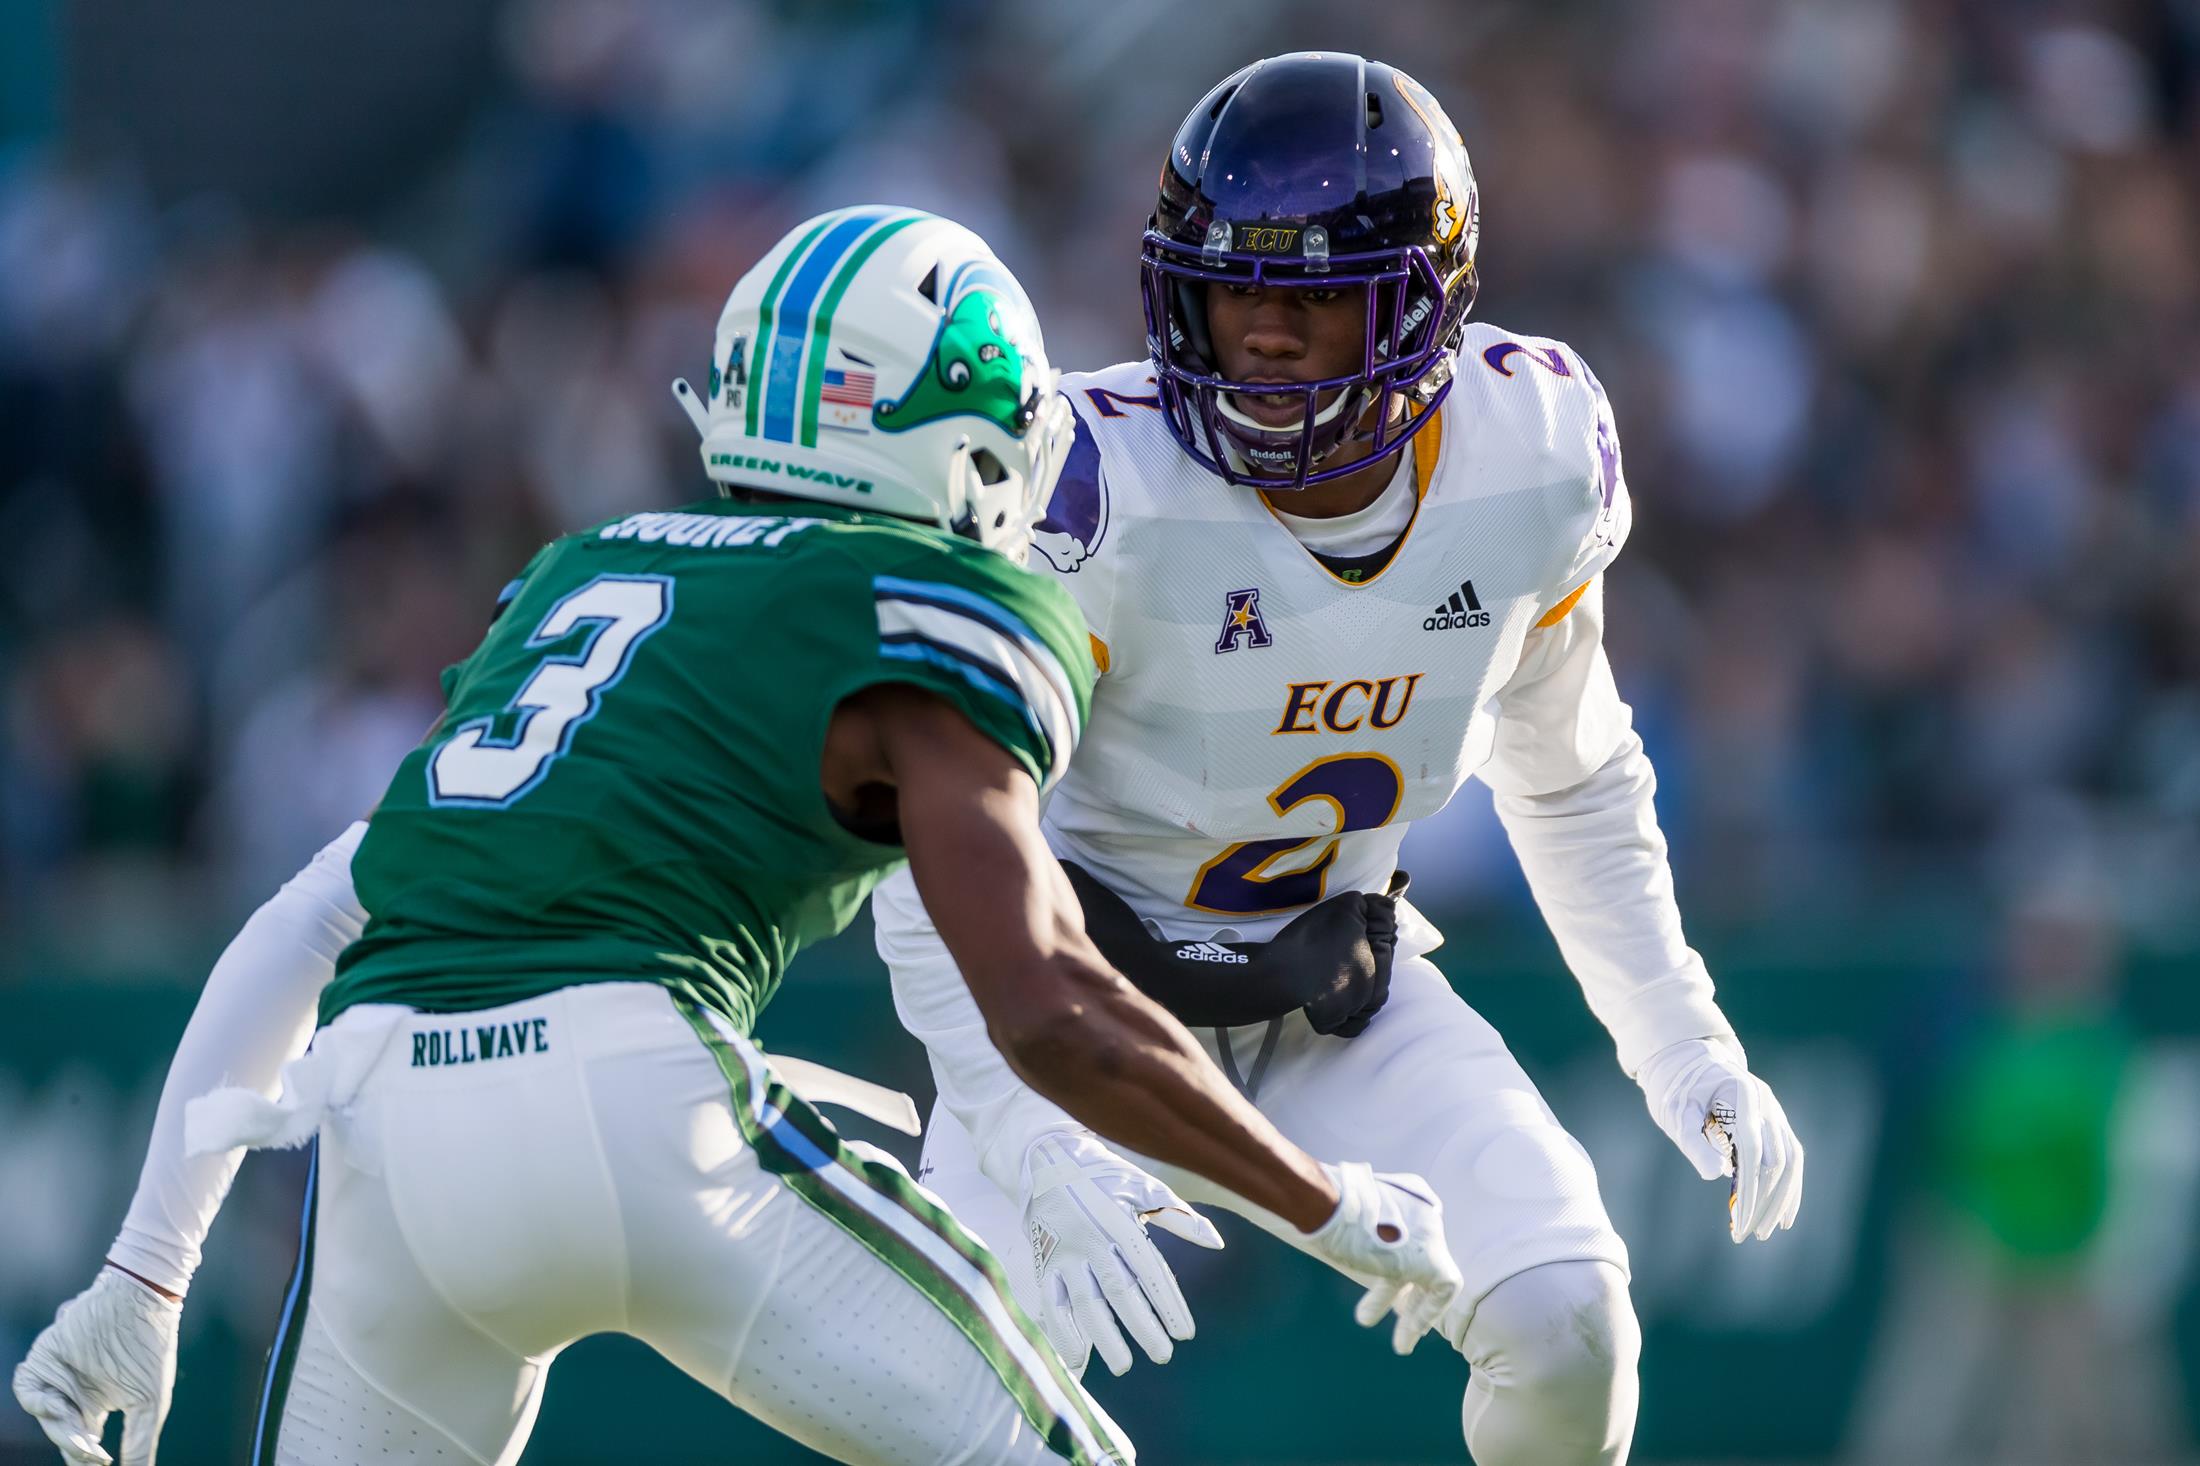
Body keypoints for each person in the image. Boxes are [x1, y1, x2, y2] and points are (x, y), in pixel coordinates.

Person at [11, 207, 1462, 1466]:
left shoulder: (586, 576)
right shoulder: (927, 602)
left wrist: (145, 1270)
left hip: (386, 1129)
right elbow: (1050, 999)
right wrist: (1321, 1198)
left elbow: (311, 920)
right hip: (632, 1105)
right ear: (962, 426)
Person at [875, 54, 1806, 1466]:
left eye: (1308, 296)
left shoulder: (1532, 452)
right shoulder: (1088, 488)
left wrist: (1679, 1035)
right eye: (1230, 290)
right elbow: (921, 831)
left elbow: (1569, 773)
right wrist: (1014, 1113)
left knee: (1570, 1323)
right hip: (1085, 1011)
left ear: (1427, 304)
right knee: (960, 1423)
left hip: (1334, 993)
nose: (1258, 335)